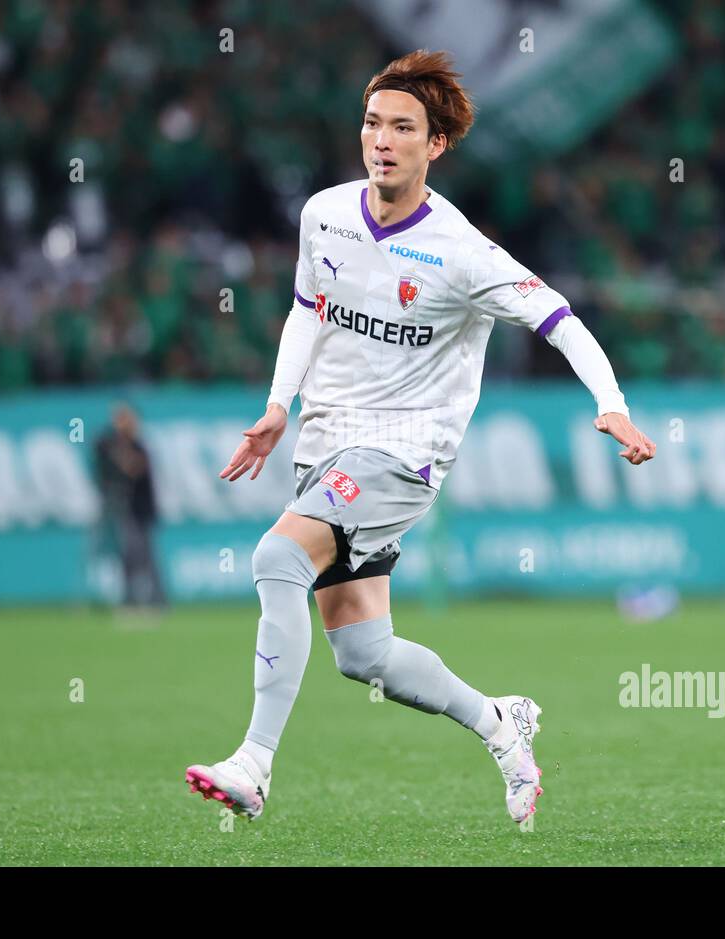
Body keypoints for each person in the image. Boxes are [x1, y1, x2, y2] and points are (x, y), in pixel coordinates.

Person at [185, 50, 655, 825]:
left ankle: (254, 765)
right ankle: (501, 723)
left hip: (404, 452)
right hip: (326, 441)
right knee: (363, 656)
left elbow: (560, 319)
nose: (383, 139)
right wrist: (278, 405)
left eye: (404, 127)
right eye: (373, 122)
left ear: (435, 145)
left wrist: (610, 403)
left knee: (277, 556)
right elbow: (310, 308)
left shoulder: (462, 253)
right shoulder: (324, 214)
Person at [93, 403, 165, 609]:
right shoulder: (110, 444)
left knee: (144, 557)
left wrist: (121, 447)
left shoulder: (137, 447)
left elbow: (133, 468)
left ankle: (153, 600)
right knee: (129, 555)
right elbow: (101, 455)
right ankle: (131, 599)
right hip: (123, 510)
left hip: (140, 510)